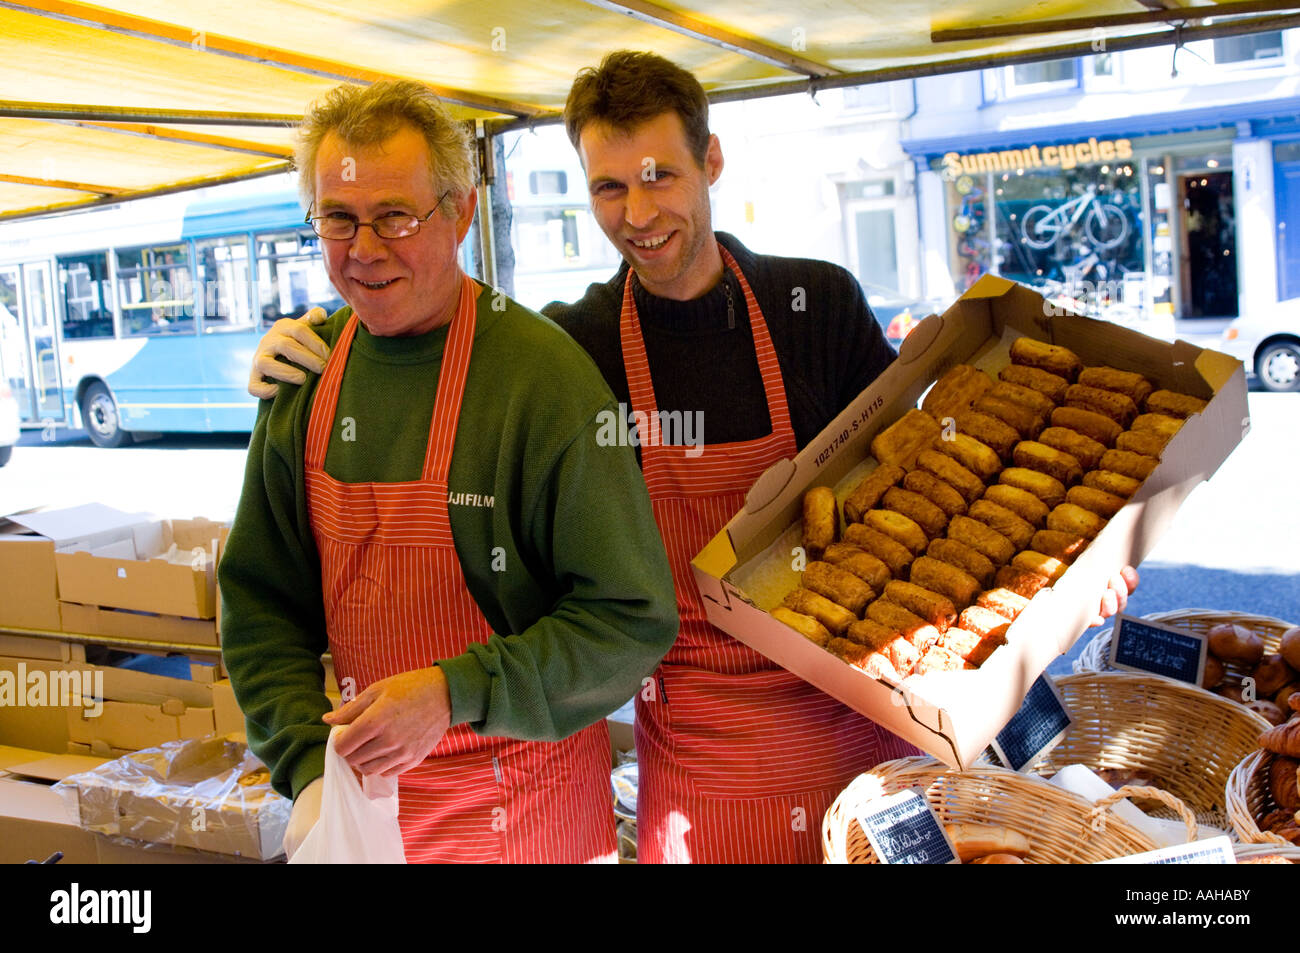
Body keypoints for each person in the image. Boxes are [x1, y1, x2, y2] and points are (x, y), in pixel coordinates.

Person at [250, 53, 1139, 863]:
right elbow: (446, 332)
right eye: (605, 189)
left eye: (658, 177)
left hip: (869, 733)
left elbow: (936, 495)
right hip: (703, 773)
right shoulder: (578, 348)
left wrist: (1063, 584)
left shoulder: (814, 306)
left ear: (711, 161)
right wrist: (314, 341)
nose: (636, 216)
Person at [219, 79, 678, 864]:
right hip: (362, 820)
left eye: (395, 215)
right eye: (338, 218)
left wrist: (452, 692)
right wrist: (305, 769)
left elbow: (629, 618)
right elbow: (261, 603)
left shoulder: (542, 379)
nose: (365, 248)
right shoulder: (305, 379)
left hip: (529, 822)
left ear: (461, 213)